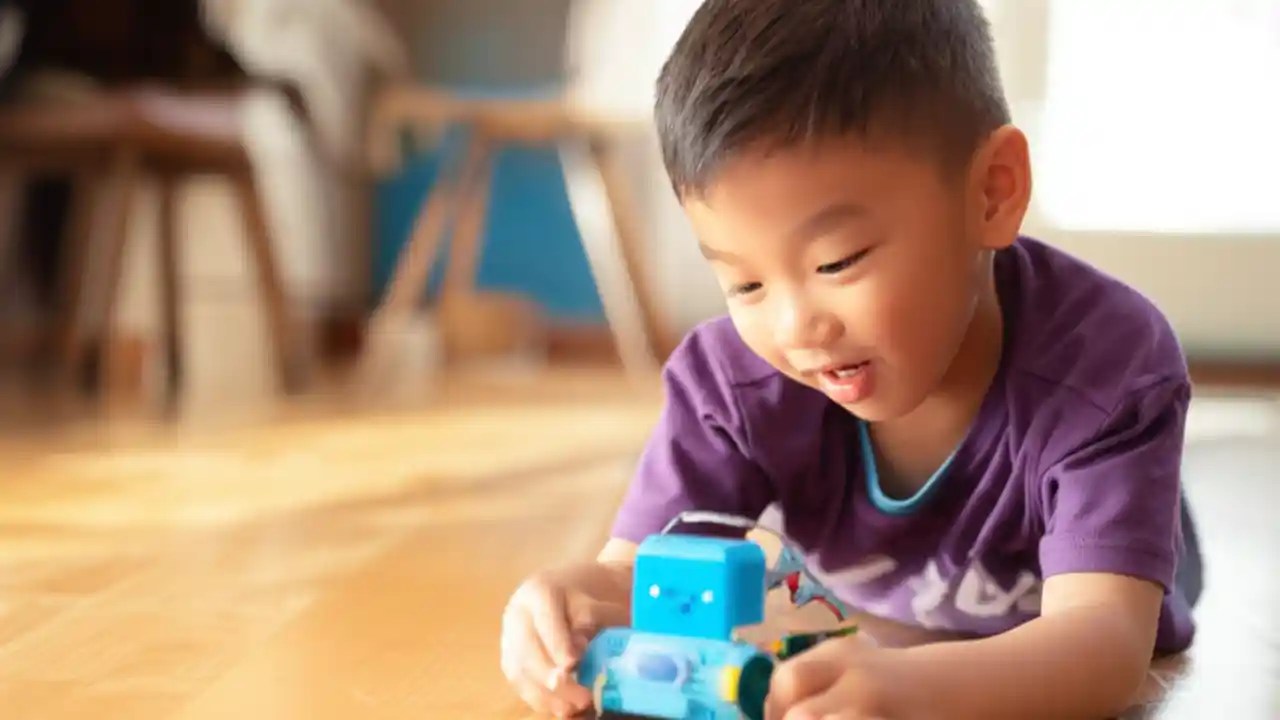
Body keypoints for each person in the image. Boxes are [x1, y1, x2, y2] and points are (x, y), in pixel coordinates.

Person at [500, 1, 1202, 717]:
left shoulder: (1109, 371)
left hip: (1095, 572)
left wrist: (918, 686)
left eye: (838, 262)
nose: (797, 325)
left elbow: (1104, 645)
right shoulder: (735, 384)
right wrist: (572, 601)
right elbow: (643, 579)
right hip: (892, 606)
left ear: (991, 192)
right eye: (744, 283)